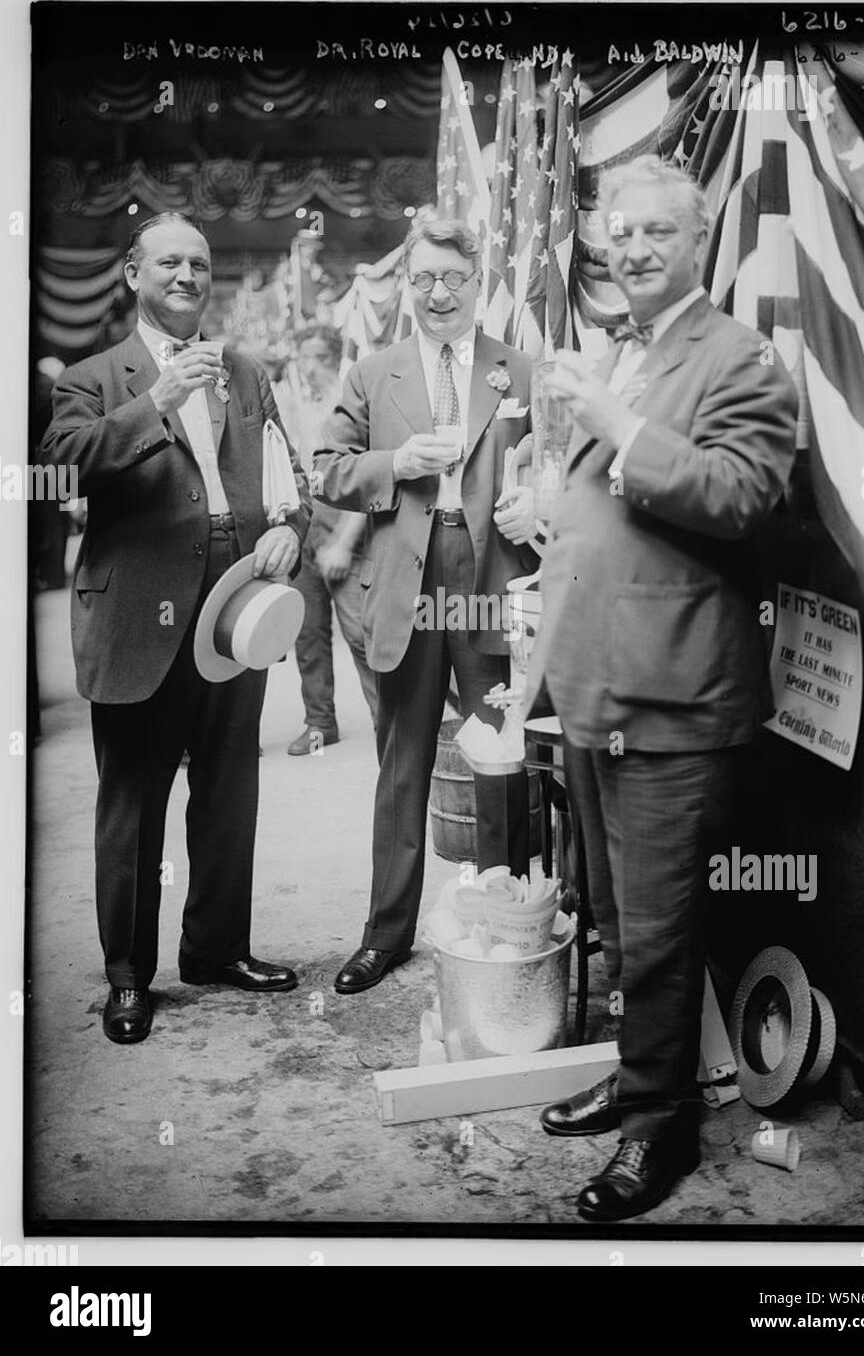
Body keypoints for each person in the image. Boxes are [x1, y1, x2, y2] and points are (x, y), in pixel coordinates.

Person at [525, 156, 798, 1220]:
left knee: (658, 927)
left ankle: (659, 1130)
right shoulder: (630, 350)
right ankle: (642, 1071)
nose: (629, 248)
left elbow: (740, 497)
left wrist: (614, 421)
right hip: (596, 689)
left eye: (654, 232)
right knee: (615, 911)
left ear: (697, 242)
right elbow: (612, 516)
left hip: (672, 703)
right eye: (617, 233)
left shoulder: (739, 358)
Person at [40, 212, 313, 1045]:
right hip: (139, 611)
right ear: (132, 274)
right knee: (133, 802)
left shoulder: (246, 369)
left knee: (231, 788)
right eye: (169, 262)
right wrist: (157, 400)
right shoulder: (94, 377)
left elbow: (288, 473)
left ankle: (218, 948)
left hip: (237, 599)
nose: (187, 275)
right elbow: (57, 465)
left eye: (198, 262)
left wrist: (287, 531)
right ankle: (128, 977)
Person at [314, 212, 538, 994]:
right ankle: (385, 935)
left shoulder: (519, 370)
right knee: (403, 763)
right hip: (407, 579)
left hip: (488, 578)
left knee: (497, 755)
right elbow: (326, 468)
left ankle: (510, 921)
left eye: (453, 278)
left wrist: (532, 502)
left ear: (477, 283)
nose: (439, 293)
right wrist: (394, 461)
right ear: (406, 288)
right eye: (424, 280)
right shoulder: (375, 374)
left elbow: (555, 462)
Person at [285, 325, 378, 752]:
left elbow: (368, 481)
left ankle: (389, 724)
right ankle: (320, 722)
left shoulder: (352, 401)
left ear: (326, 358)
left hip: (346, 528)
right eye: (300, 358)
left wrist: (343, 540)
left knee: (361, 635)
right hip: (306, 525)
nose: (303, 367)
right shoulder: (303, 403)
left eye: (309, 358)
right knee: (309, 634)